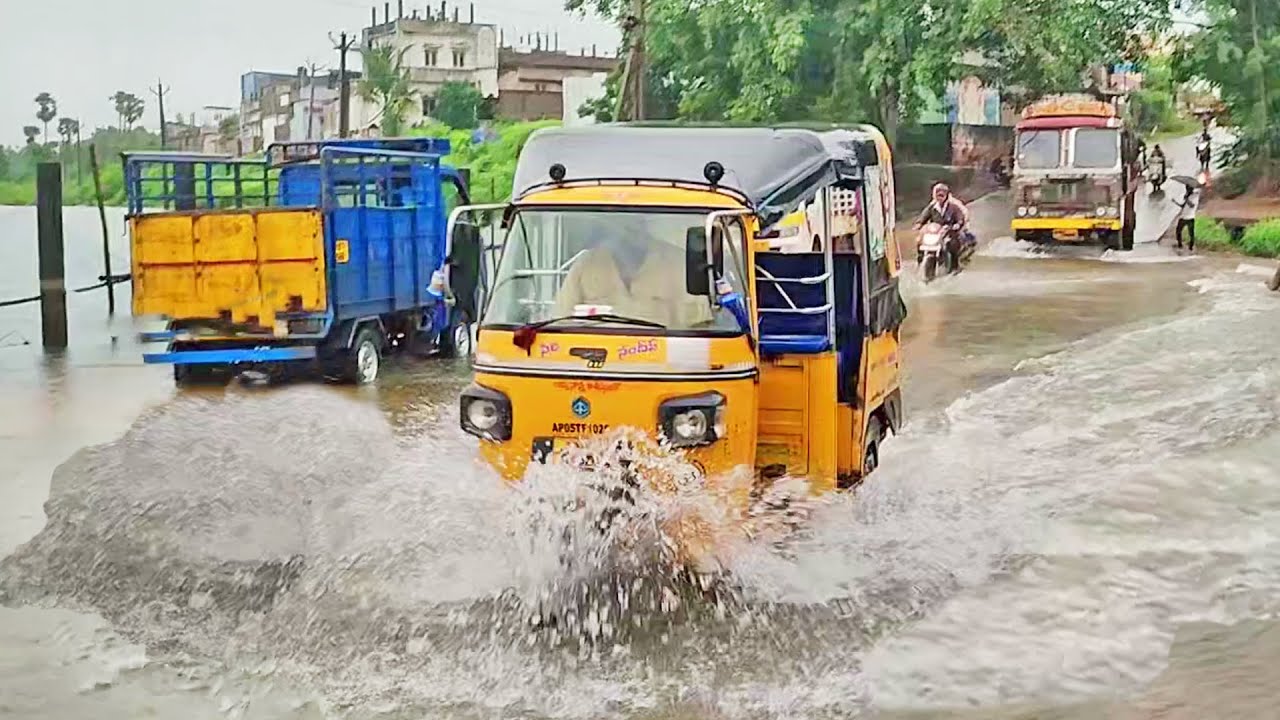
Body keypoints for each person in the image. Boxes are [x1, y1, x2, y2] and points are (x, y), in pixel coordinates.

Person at [553, 217, 713, 327]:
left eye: (631, 227)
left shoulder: (679, 263)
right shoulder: (586, 264)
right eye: (618, 229)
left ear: (644, 226)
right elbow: (561, 319)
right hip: (596, 357)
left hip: (663, 360)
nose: (625, 235)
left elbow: (699, 326)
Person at [913, 183, 971, 267]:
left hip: (949, 232)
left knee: (952, 244)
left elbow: (960, 217)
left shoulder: (953, 207)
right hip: (935, 232)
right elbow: (924, 216)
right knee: (920, 241)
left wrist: (958, 224)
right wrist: (919, 224)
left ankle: (954, 266)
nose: (939, 198)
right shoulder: (932, 207)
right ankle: (920, 261)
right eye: (938, 195)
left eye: (942, 195)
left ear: (946, 196)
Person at [1174, 185, 1199, 252]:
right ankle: (1180, 244)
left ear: (1191, 189)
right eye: (1186, 189)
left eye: (1188, 189)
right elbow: (1183, 206)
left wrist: (1186, 199)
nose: (1187, 190)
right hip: (1183, 216)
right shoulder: (1187, 196)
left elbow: (1192, 205)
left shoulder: (1195, 196)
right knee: (1178, 231)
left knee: (1191, 233)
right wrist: (1175, 202)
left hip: (1190, 217)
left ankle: (1191, 247)